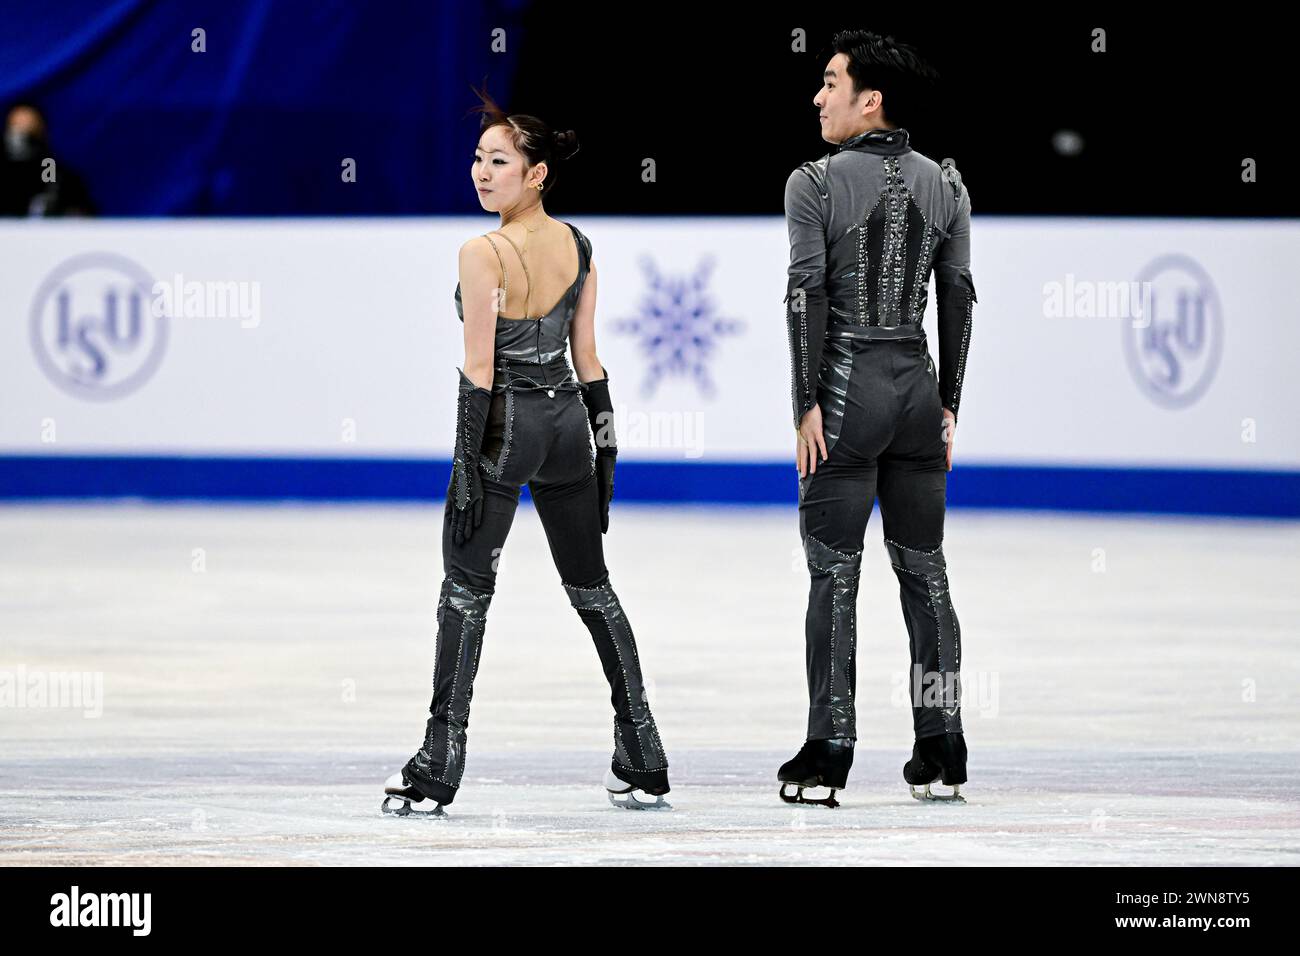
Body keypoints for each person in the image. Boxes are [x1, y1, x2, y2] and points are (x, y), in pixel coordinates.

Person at [382, 88, 670, 816]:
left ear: (536, 173)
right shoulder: (579, 244)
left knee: (465, 590)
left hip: (506, 428)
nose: (482, 172)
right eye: (479, 159)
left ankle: (439, 760)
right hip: (570, 425)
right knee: (592, 587)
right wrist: (607, 447)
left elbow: (480, 370)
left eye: (500, 161)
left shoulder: (482, 252)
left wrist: (463, 465)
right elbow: (590, 359)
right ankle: (642, 749)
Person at [778, 31, 975, 806]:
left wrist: (804, 405)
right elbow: (958, 295)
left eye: (830, 82)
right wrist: (950, 402)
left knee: (834, 574)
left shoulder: (814, 182)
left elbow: (806, 294)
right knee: (924, 571)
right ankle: (942, 740)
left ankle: (829, 749)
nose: (818, 97)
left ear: (872, 99)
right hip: (920, 395)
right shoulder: (948, 184)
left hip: (848, 394)